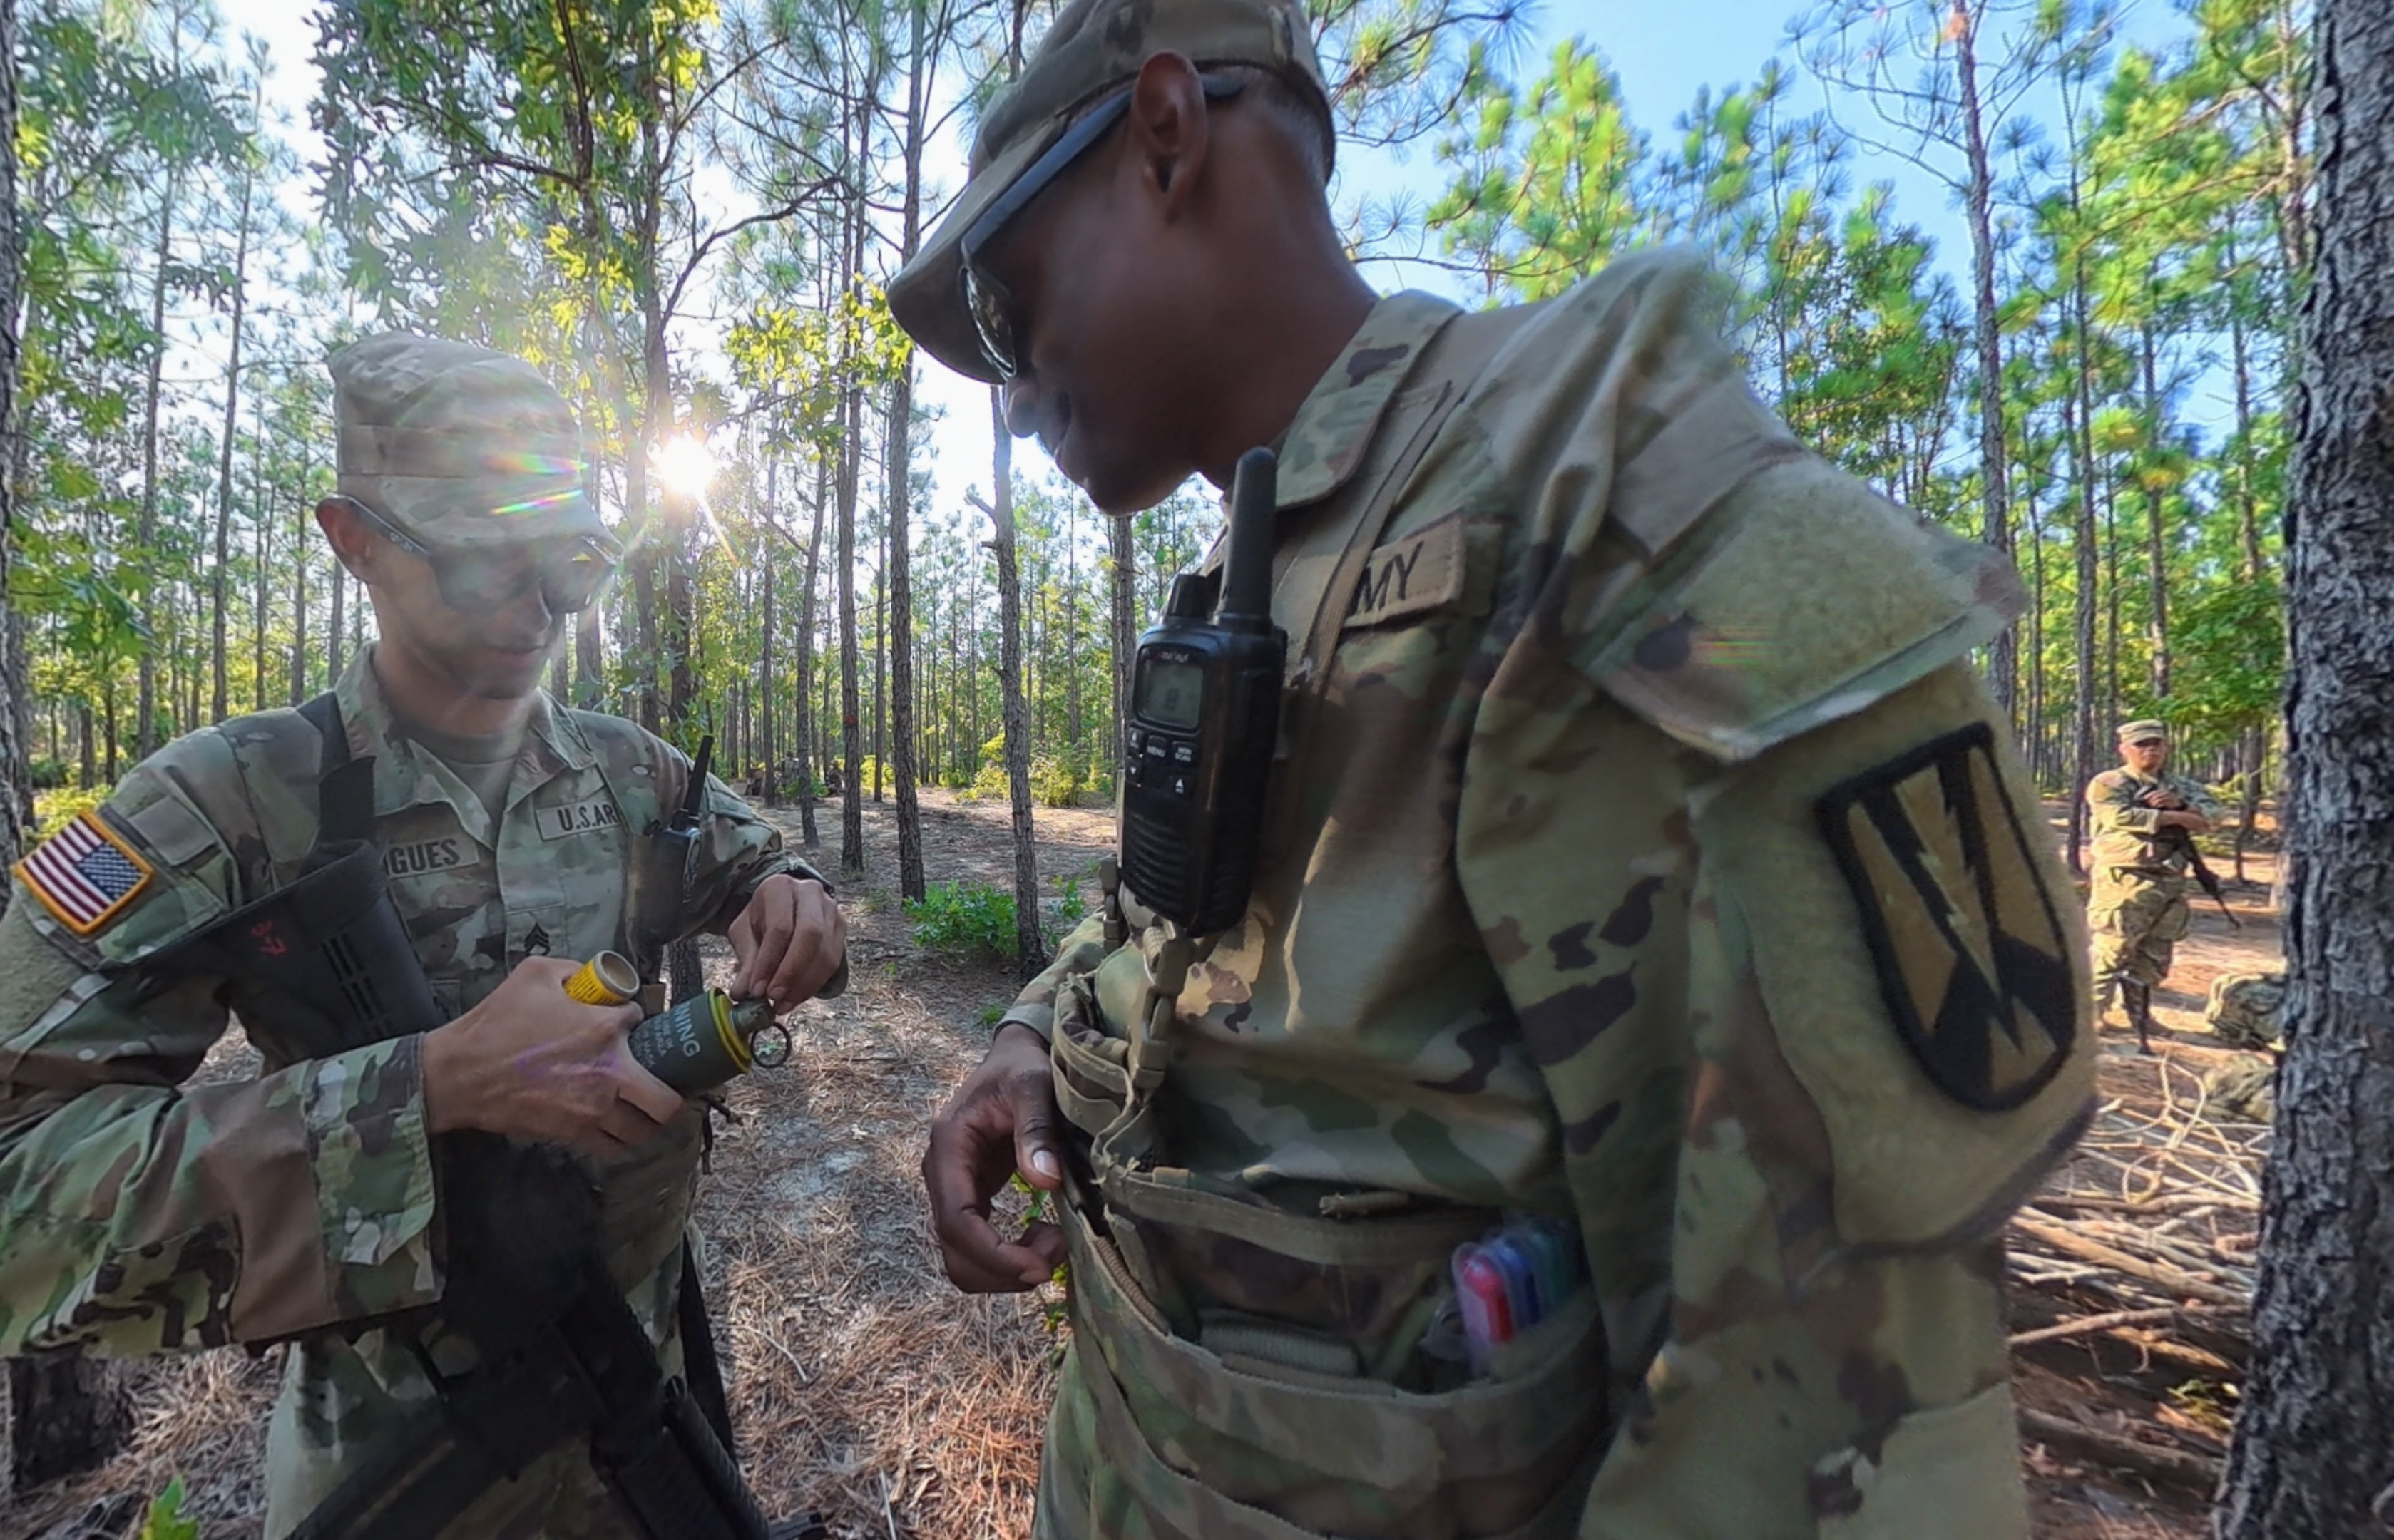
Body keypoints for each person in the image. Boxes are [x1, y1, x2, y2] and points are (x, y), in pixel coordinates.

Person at [889, 0, 2095, 1532]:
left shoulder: (1599, 493)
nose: (1010, 374)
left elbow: (1835, 1400)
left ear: (1168, 133)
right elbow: (1167, 938)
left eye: (1008, 300)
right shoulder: (1269, 565)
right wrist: (1023, 1043)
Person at [0, 334, 846, 1539]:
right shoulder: (229, 803)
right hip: (407, 1452)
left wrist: (792, 891)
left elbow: (755, 860)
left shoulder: (622, 767)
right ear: (356, 541)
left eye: (573, 564)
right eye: (488, 567)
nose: (538, 611)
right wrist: (427, 1090)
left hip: (643, 1408)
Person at [2086, 719, 2226, 1054]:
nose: (2150, 750)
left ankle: (2140, 1015)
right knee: (2114, 947)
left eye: (2156, 744)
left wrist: (2179, 806)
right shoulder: (2110, 782)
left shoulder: (2179, 786)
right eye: (2141, 745)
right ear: (2124, 749)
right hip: (2125, 878)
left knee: (2155, 952)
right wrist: (2177, 818)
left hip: (2170, 879)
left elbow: (2214, 815)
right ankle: (2091, 1013)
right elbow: (2119, 817)